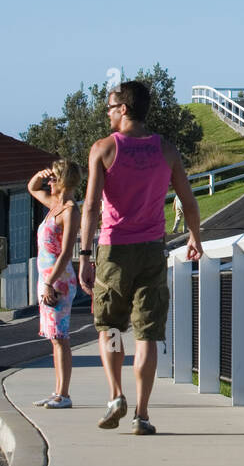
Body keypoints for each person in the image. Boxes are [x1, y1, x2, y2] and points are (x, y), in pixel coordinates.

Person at [78, 80, 203, 436]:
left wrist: (85, 255)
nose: (107, 113)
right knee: (147, 333)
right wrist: (195, 236)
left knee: (112, 327)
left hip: (113, 251)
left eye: (110, 107)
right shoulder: (166, 150)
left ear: (125, 109)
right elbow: (189, 202)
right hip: (151, 250)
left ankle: (116, 395)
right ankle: (142, 414)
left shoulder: (103, 149)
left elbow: (89, 206)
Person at [27, 160, 81, 409]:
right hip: (47, 279)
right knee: (54, 338)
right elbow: (32, 187)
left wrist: (49, 283)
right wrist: (40, 173)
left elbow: (67, 252)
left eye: (52, 178)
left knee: (60, 337)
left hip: (57, 281)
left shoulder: (69, 210)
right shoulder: (54, 206)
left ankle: (65, 394)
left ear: (63, 181)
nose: (48, 183)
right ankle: (57, 391)